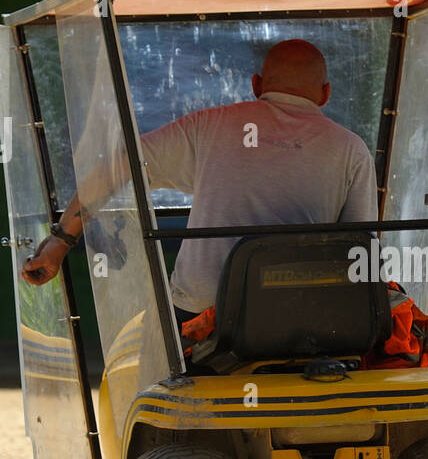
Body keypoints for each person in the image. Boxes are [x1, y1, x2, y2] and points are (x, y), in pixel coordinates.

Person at [20, 39, 378, 336]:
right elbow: (362, 249)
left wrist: (60, 242)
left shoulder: (209, 126)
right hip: (304, 318)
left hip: (202, 313)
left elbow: (116, 169)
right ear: (326, 93)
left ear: (256, 85)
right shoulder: (351, 149)